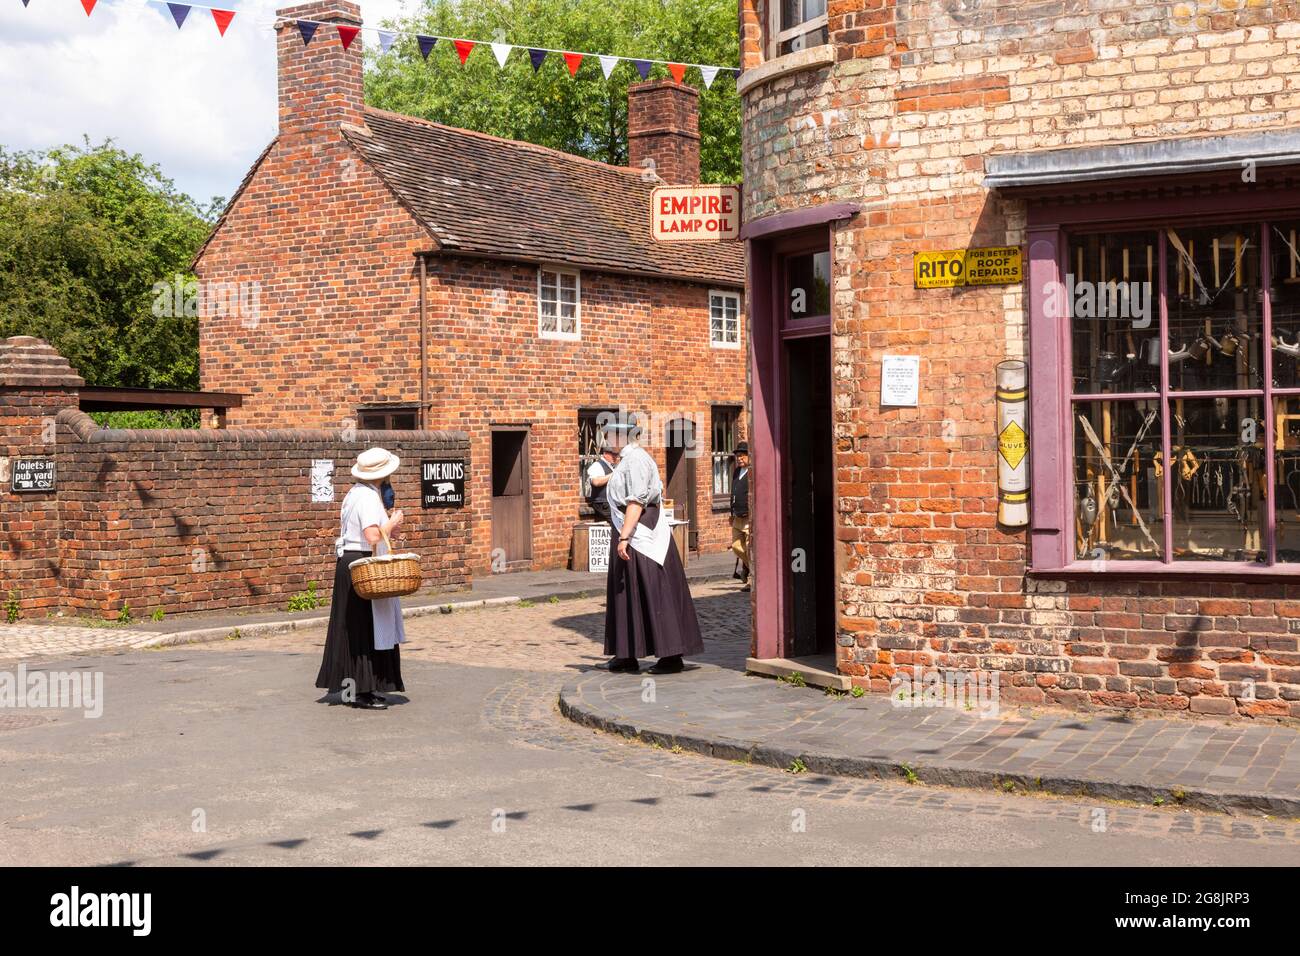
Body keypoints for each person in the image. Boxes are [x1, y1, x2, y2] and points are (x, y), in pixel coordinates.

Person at [602, 422, 704, 674]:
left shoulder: (636, 459)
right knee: (626, 592)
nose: (606, 441)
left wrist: (625, 536)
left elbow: (637, 500)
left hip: (640, 531)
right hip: (630, 527)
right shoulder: (627, 459)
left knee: (654, 589)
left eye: (609, 436)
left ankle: (670, 655)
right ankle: (627, 653)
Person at [315, 447, 407, 710]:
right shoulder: (367, 497)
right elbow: (372, 536)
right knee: (364, 627)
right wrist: (391, 523)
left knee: (357, 626)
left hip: (351, 562)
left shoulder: (354, 493)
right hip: (362, 564)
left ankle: (364, 687)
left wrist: (388, 526)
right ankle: (363, 691)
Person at [730, 441, 751, 590]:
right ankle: (754, 569)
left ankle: (752, 577)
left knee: (750, 547)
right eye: (738, 456)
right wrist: (731, 512)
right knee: (736, 546)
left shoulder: (752, 472)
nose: (739, 458)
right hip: (737, 516)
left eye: (742, 455)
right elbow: (733, 493)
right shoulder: (737, 472)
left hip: (748, 516)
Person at [585, 443, 618, 523]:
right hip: (602, 503)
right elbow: (596, 482)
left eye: (616, 454)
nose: (615, 457)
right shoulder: (597, 465)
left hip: (610, 503)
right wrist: (612, 475)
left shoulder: (612, 466)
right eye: (613, 454)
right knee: (617, 521)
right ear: (605, 454)